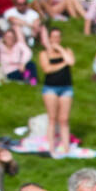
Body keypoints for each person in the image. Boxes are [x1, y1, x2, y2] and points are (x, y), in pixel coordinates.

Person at [38, 26, 75, 159]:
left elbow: (71, 61)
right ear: (49, 38)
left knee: (64, 119)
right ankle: (51, 147)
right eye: (53, 37)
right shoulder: (44, 54)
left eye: (58, 37)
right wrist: (63, 64)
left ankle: (66, 147)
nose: (56, 39)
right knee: (52, 118)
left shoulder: (67, 51)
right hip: (51, 88)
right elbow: (47, 69)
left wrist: (60, 49)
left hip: (66, 88)